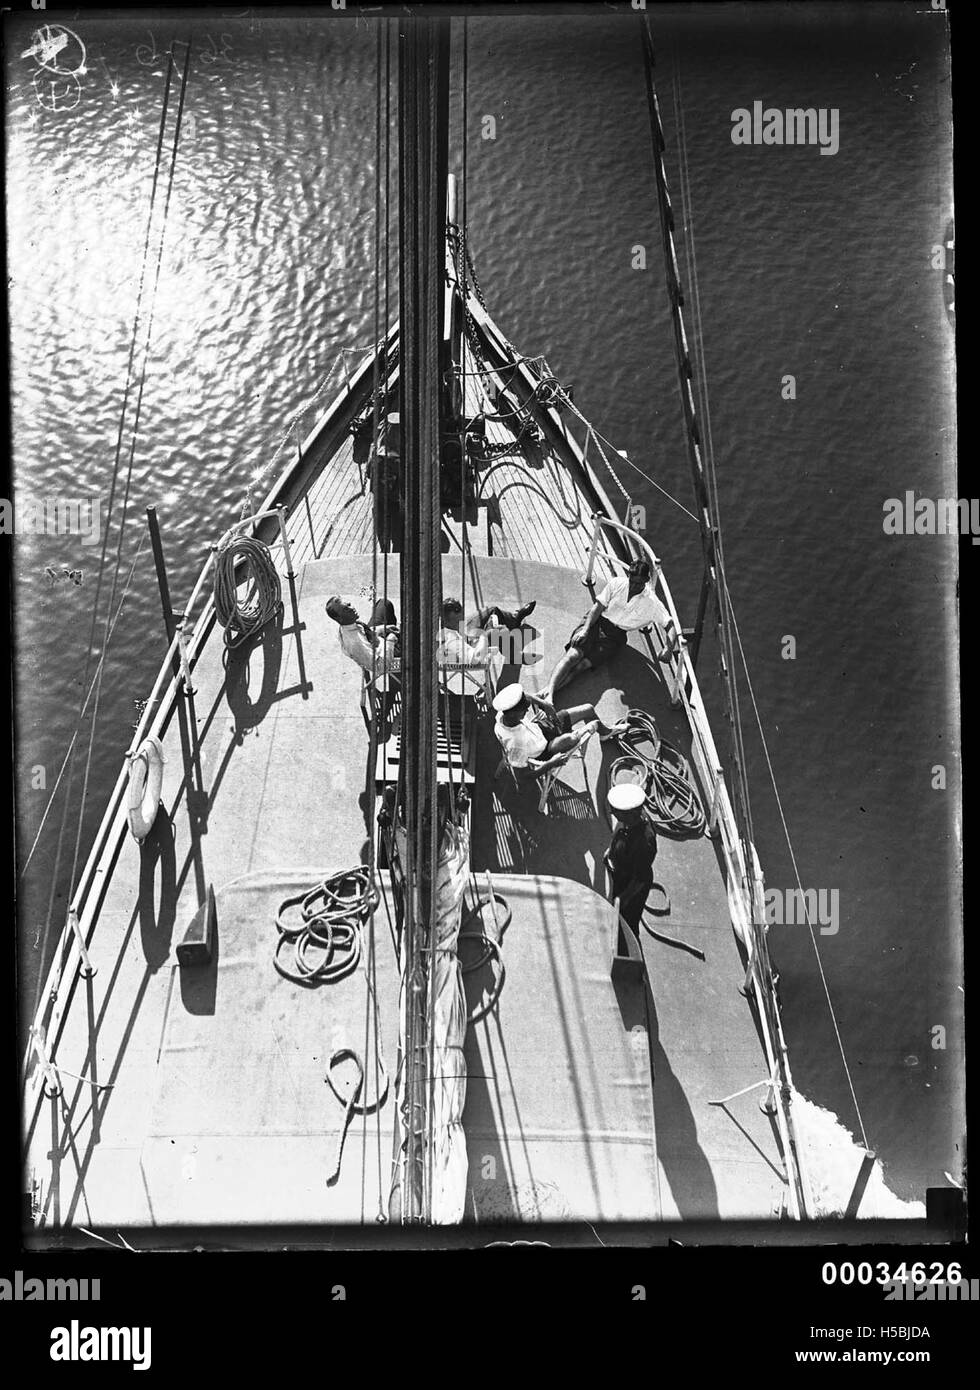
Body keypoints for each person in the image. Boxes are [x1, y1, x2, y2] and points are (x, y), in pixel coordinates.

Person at [540, 558, 671, 703]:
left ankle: (546, 693)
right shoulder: (617, 584)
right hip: (597, 622)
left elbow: (669, 625)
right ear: (629, 576)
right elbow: (598, 607)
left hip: (616, 637)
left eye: (639, 583)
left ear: (647, 580)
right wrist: (585, 629)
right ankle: (549, 695)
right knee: (573, 656)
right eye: (632, 581)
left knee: (581, 666)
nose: (633, 586)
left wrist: (668, 648)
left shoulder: (652, 603)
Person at [491, 682, 627, 777]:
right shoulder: (516, 746)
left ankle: (605, 733)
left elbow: (525, 696)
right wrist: (550, 764)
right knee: (572, 738)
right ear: (512, 713)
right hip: (543, 750)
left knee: (588, 709)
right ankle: (591, 729)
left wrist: (544, 704)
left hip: (540, 728)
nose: (527, 710)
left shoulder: (502, 714)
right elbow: (523, 778)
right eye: (523, 710)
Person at [604, 782, 659, 934]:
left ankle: (629, 950)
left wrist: (623, 899)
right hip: (621, 874)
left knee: (627, 922)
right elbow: (619, 829)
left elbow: (641, 878)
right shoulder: (630, 820)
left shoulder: (643, 842)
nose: (612, 813)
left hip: (632, 887)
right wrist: (610, 850)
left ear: (631, 813)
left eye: (616, 811)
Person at [437, 595, 536, 670]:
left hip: (463, 634)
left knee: (492, 610)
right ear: (447, 621)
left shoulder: (442, 625)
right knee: (498, 632)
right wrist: (484, 636)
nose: (462, 619)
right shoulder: (452, 641)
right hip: (472, 645)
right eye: (457, 620)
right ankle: (514, 655)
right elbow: (475, 658)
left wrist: (459, 626)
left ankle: (515, 618)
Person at [325, 595, 400, 677]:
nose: (352, 608)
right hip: (384, 654)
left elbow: (366, 633)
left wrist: (382, 629)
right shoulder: (355, 643)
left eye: (349, 604)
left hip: (373, 641)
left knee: (384, 603)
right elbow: (379, 668)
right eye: (346, 609)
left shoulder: (348, 624)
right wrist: (390, 640)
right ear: (339, 618)